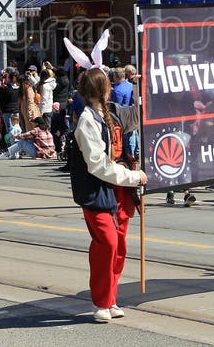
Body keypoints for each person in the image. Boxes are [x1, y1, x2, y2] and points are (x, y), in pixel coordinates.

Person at [70, 67, 147, 322]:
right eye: (106, 84)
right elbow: (98, 165)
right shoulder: (87, 121)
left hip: (119, 188)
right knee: (108, 242)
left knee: (120, 244)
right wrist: (134, 177)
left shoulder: (112, 110)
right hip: (97, 188)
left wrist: (142, 87)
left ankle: (110, 298)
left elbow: (138, 116)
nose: (111, 88)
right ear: (98, 89)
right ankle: (101, 302)